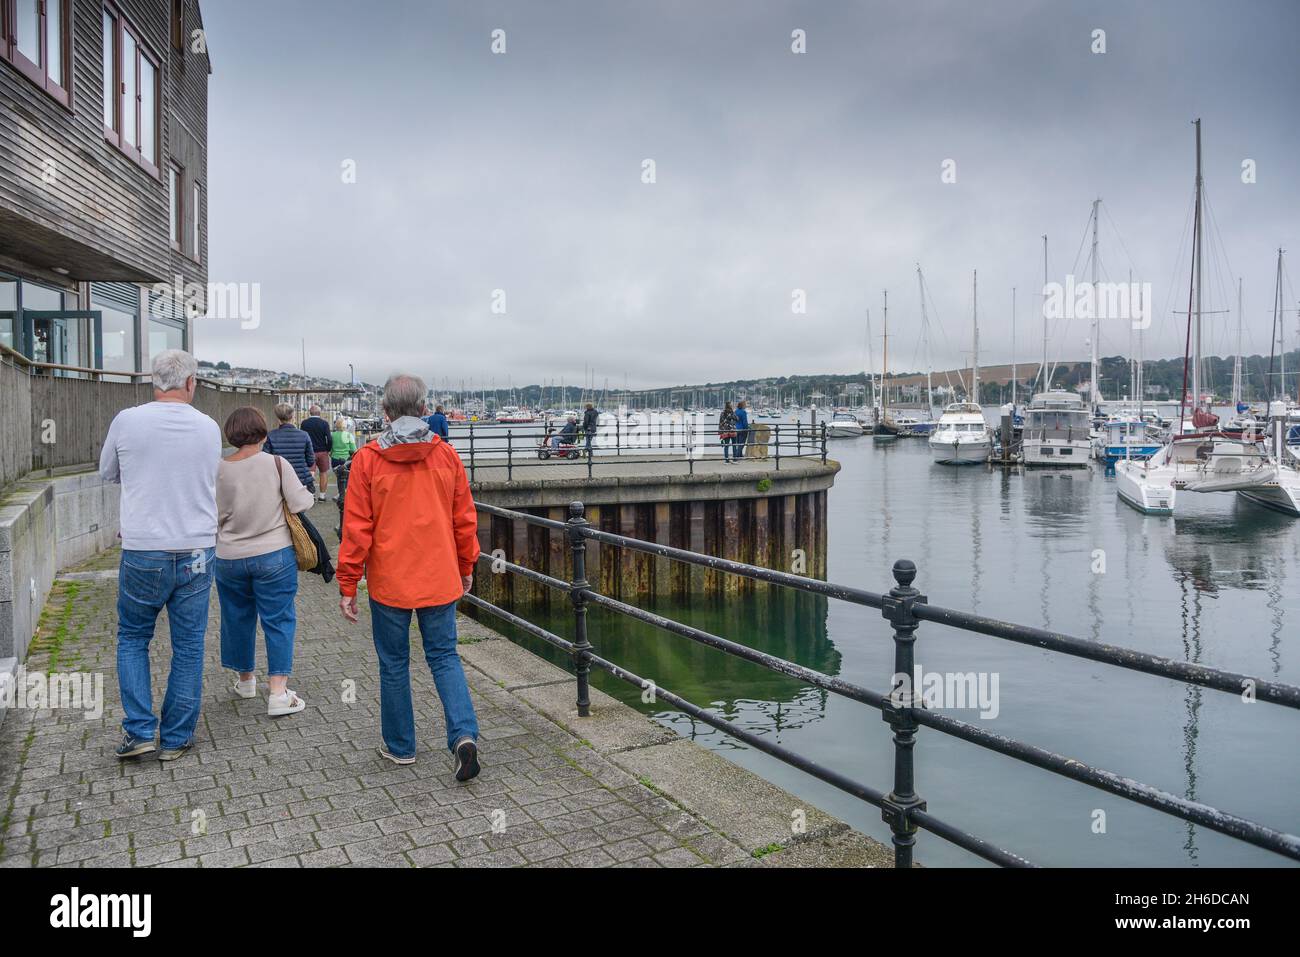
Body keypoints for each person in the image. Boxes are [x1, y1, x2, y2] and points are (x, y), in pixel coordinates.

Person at [337, 373, 482, 779]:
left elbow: (357, 529)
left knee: (394, 663)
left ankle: (401, 747)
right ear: (423, 409)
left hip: (390, 581)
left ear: (385, 413)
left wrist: (348, 584)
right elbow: (464, 522)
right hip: (438, 576)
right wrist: (466, 566)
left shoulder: (368, 459)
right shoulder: (446, 456)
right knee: (444, 656)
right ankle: (464, 735)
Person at [99, 349, 221, 761]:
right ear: (191, 384)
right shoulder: (208, 428)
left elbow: (107, 472)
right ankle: (176, 737)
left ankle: (139, 731)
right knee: (188, 644)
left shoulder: (127, 421)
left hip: (143, 548)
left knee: (133, 637)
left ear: (154, 382)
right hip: (197, 548)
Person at [214, 407, 313, 717]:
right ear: (263, 433)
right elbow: (300, 502)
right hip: (274, 554)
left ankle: (245, 681)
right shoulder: (276, 464)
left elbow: (211, 516)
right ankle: (278, 693)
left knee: (236, 617)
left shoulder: (217, 469)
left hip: (229, 556)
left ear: (230, 434)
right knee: (278, 619)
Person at [263, 403, 315, 493]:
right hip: (301, 479)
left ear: (278, 418)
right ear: (293, 417)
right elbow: (311, 461)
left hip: (279, 480)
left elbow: (266, 461)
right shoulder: (304, 435)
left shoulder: (270, 436)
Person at [300, 404, 334, 502]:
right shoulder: (324, 423)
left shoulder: (304, 423)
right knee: (323, 473)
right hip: (322, 451)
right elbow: (329, 438)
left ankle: (312, 495)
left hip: (309, 451)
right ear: (320, 413)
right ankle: (322, 496)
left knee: (311, 473)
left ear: (310, 412)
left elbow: (302, 437)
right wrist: (328, 449)